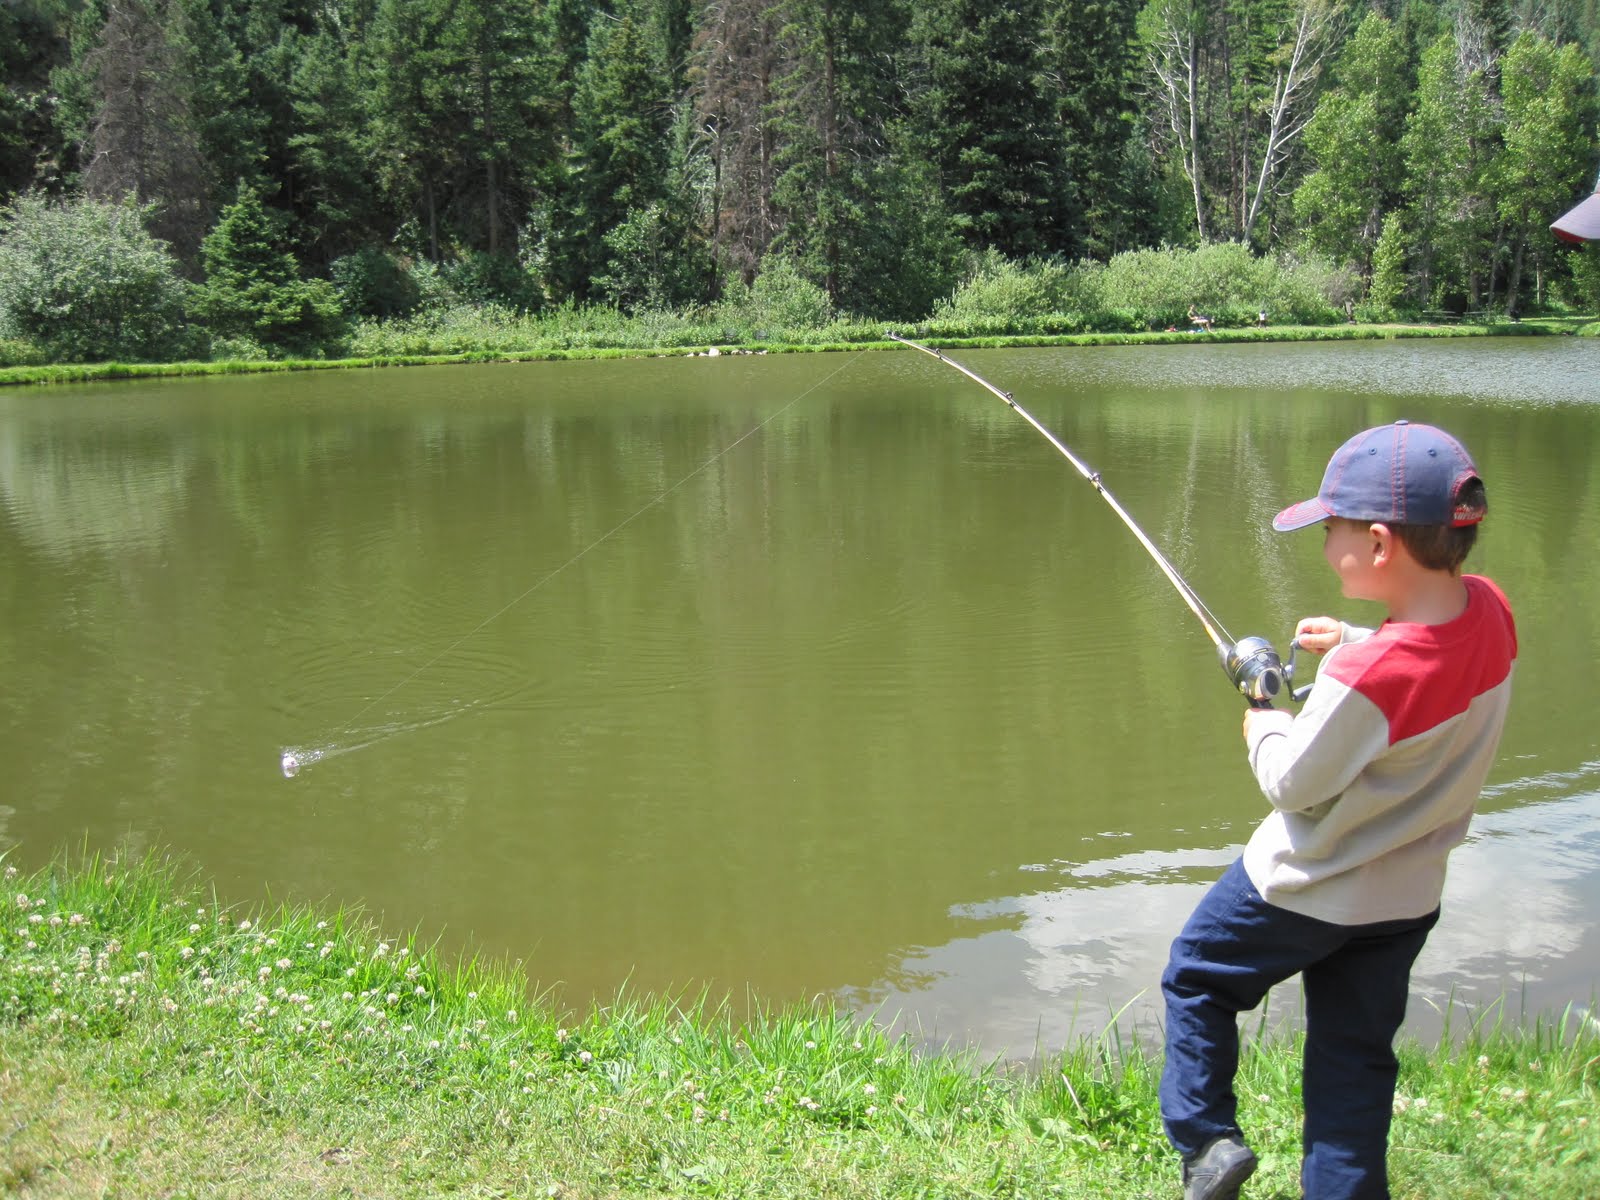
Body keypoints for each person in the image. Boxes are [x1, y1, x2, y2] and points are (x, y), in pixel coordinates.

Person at [1159, 420, 1517, 1200]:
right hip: (1406, 899)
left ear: (1381, 545)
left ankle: (1206, 1140)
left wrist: (1264, 716)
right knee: (1353, 1068)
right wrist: (1353, 636)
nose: (1325, 544)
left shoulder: (1369, 674)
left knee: (1196, 979)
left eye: (1332, 528)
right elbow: (1432, 665)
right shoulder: (1490, 610)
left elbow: (1294, 783)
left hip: (1304, 887)